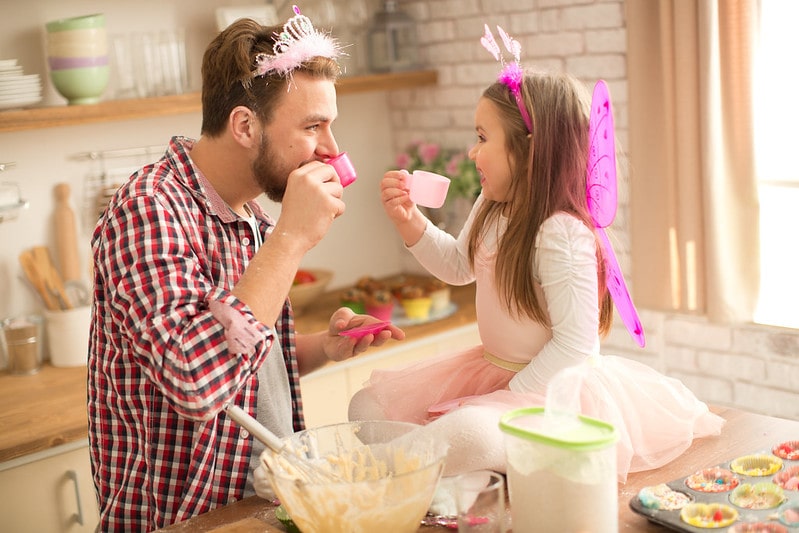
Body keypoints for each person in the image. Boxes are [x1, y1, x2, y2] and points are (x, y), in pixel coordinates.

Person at [348, 26, 724, 488]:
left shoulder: (561, 233)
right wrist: (411, 222)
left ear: (529, 150)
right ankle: (423, 466)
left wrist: (506, 396)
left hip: (551, 388)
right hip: (494, 371)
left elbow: (575, 345)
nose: (472, 151)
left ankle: (404, 471)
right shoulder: (493, 205)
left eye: (483, 137)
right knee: (365, 407)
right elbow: (457, 266)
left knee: (468, 432)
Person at [88, 10, 403, 532]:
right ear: (243, 125)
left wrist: (323, 347)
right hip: (189, 522)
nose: (331, 148)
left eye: (331, 125)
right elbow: (196, 381)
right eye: (312, 126)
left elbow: (247, 362)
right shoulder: (147, 210)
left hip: (260, 510)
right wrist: (292, 238)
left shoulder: (250, 218)